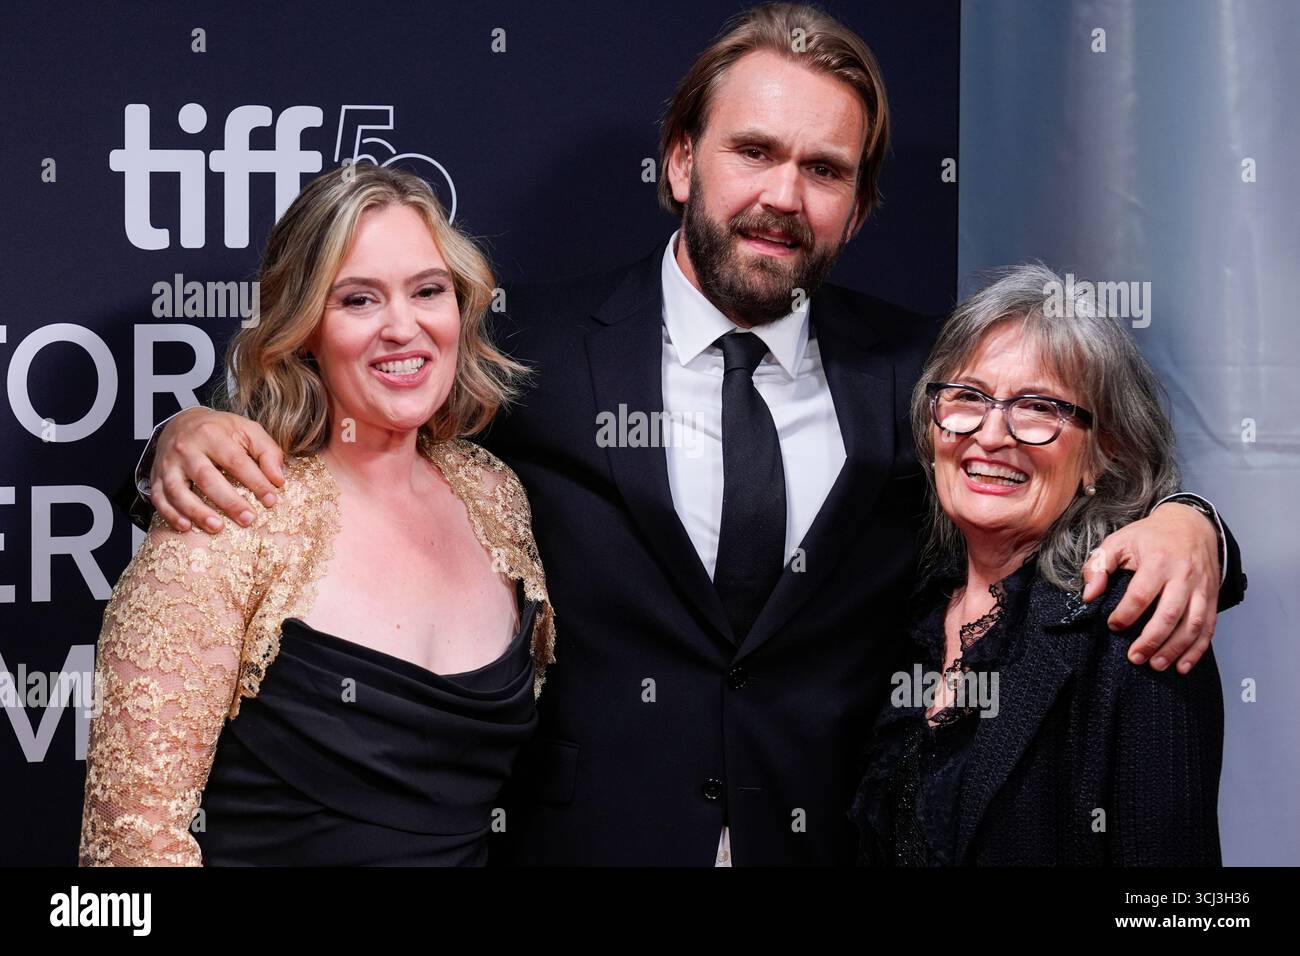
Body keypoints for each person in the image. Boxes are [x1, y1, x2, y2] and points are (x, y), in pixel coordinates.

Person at [124, 4, 1243, 865]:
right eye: (752, 151)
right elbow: (366, 399)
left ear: (856, 208)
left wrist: (1194, 526)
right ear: (677, 162)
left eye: (824, 170)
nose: (782, 195)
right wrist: (184, 433)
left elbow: (1050, 467)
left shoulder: (920, 377)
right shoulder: (526, 350)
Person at [79, 164, 555, 866]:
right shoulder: (231, 517)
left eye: (428, 291)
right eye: (359, 300)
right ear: (303, 329)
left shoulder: (493, 496)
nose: (404, 327)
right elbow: (129, 848)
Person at [852, 264, 1225, 865]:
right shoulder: (904, 598)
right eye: (969, 397)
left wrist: (1192, 520)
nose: (992, 434)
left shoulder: (1136, 624)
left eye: (1038, 408)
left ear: (1103, 454)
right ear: (932, 421)